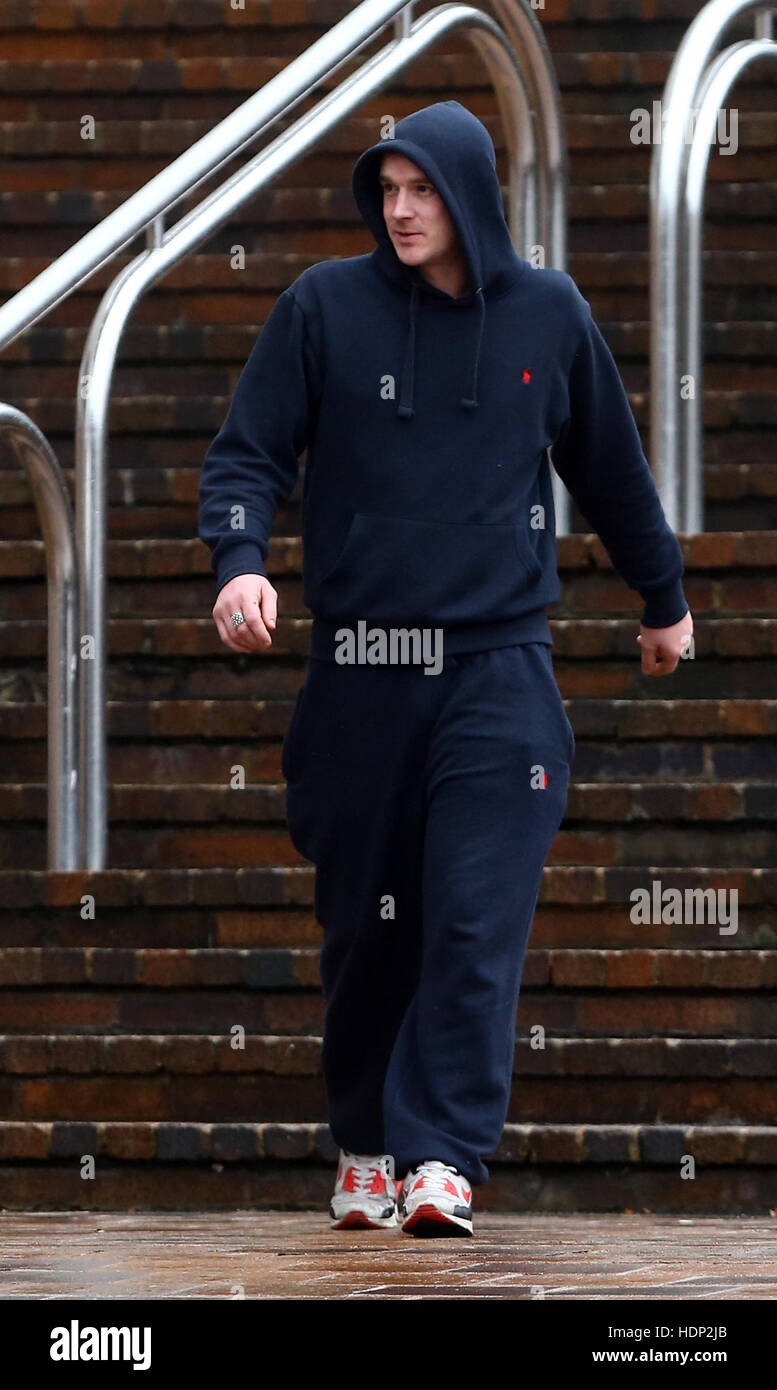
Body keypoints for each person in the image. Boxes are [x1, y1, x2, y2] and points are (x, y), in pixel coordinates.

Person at [198, 100, 693, 1238]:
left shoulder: (548, 314)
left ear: (470, 193)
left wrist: (661, 598)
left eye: (422, 190)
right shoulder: (323, 308)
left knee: (474, 920)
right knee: (371, 930)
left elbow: (611, 468)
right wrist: (239, 563)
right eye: (387, 191)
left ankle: (442, 1158)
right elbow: (248, 453)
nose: (402, 211)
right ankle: (367, 1144)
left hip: (500, 669)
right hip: (362, 670)